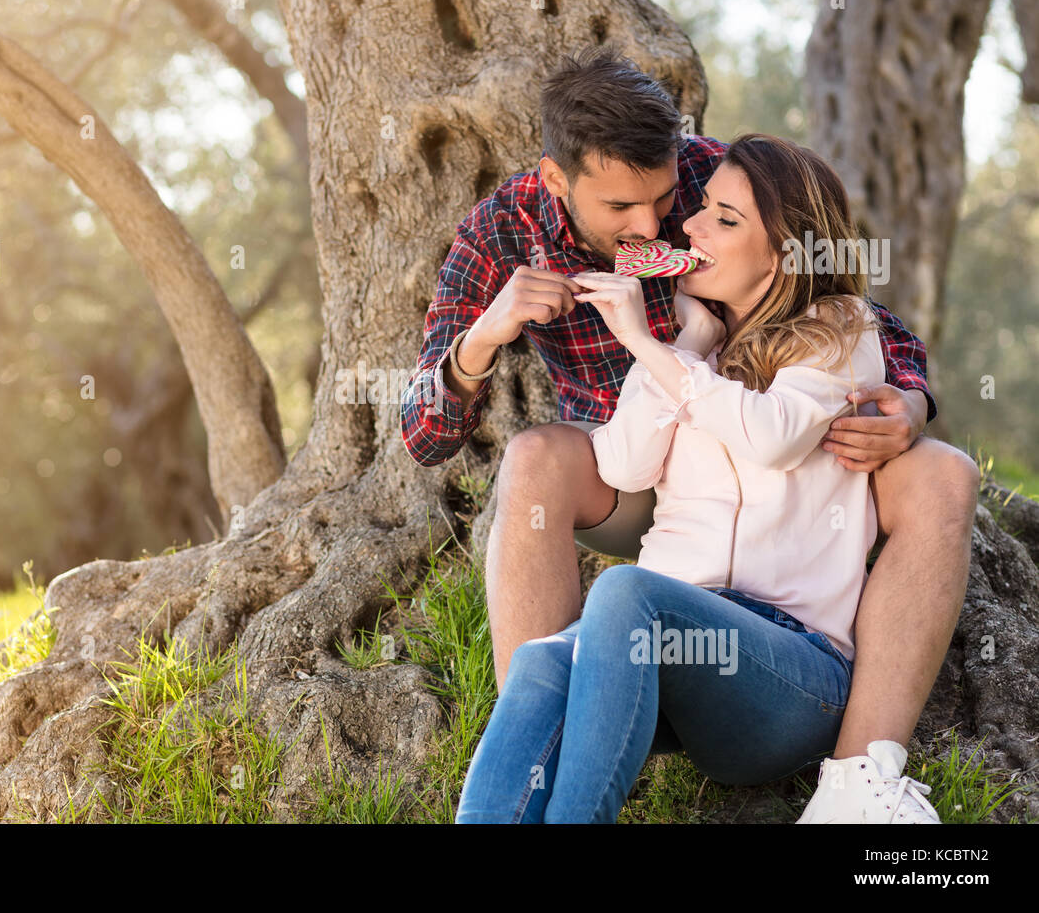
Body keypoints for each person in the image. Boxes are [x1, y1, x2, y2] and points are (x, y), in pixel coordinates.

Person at [401, 45, 981, 822]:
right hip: (643, 487)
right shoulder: (502, 236)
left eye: (668, 198)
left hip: (781, 517)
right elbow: (425, 434)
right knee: (539, 472)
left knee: (939, 469)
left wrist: (909, 402)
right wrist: (486, 336)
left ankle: (861, 779)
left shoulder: (722, 188)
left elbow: (851, 315)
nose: (655, 230)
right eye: (620, 212)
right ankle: (557, 735)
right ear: (555, 181)